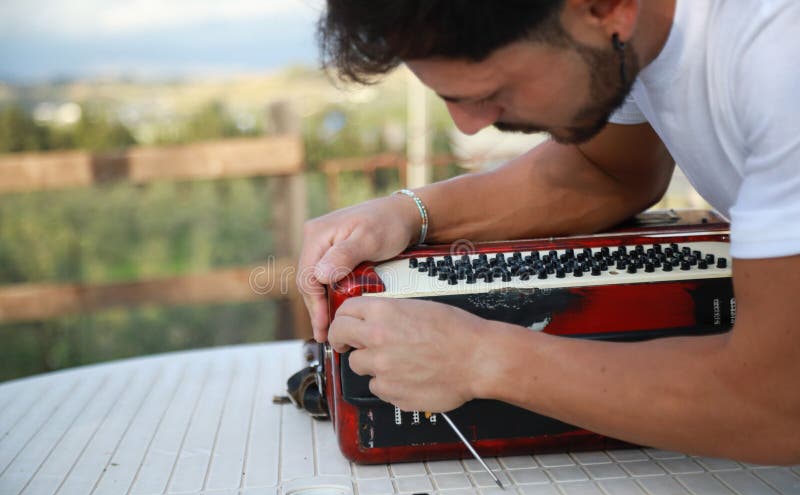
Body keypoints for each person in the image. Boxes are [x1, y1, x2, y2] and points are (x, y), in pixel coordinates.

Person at [297, 0, 800, 464]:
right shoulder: (623, 37)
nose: (469, 125)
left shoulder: (779, 55)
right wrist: (406, 214)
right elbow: (606, 172)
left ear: (607, 8)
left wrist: (480, 359)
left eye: (491, 92)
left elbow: (779, 401)